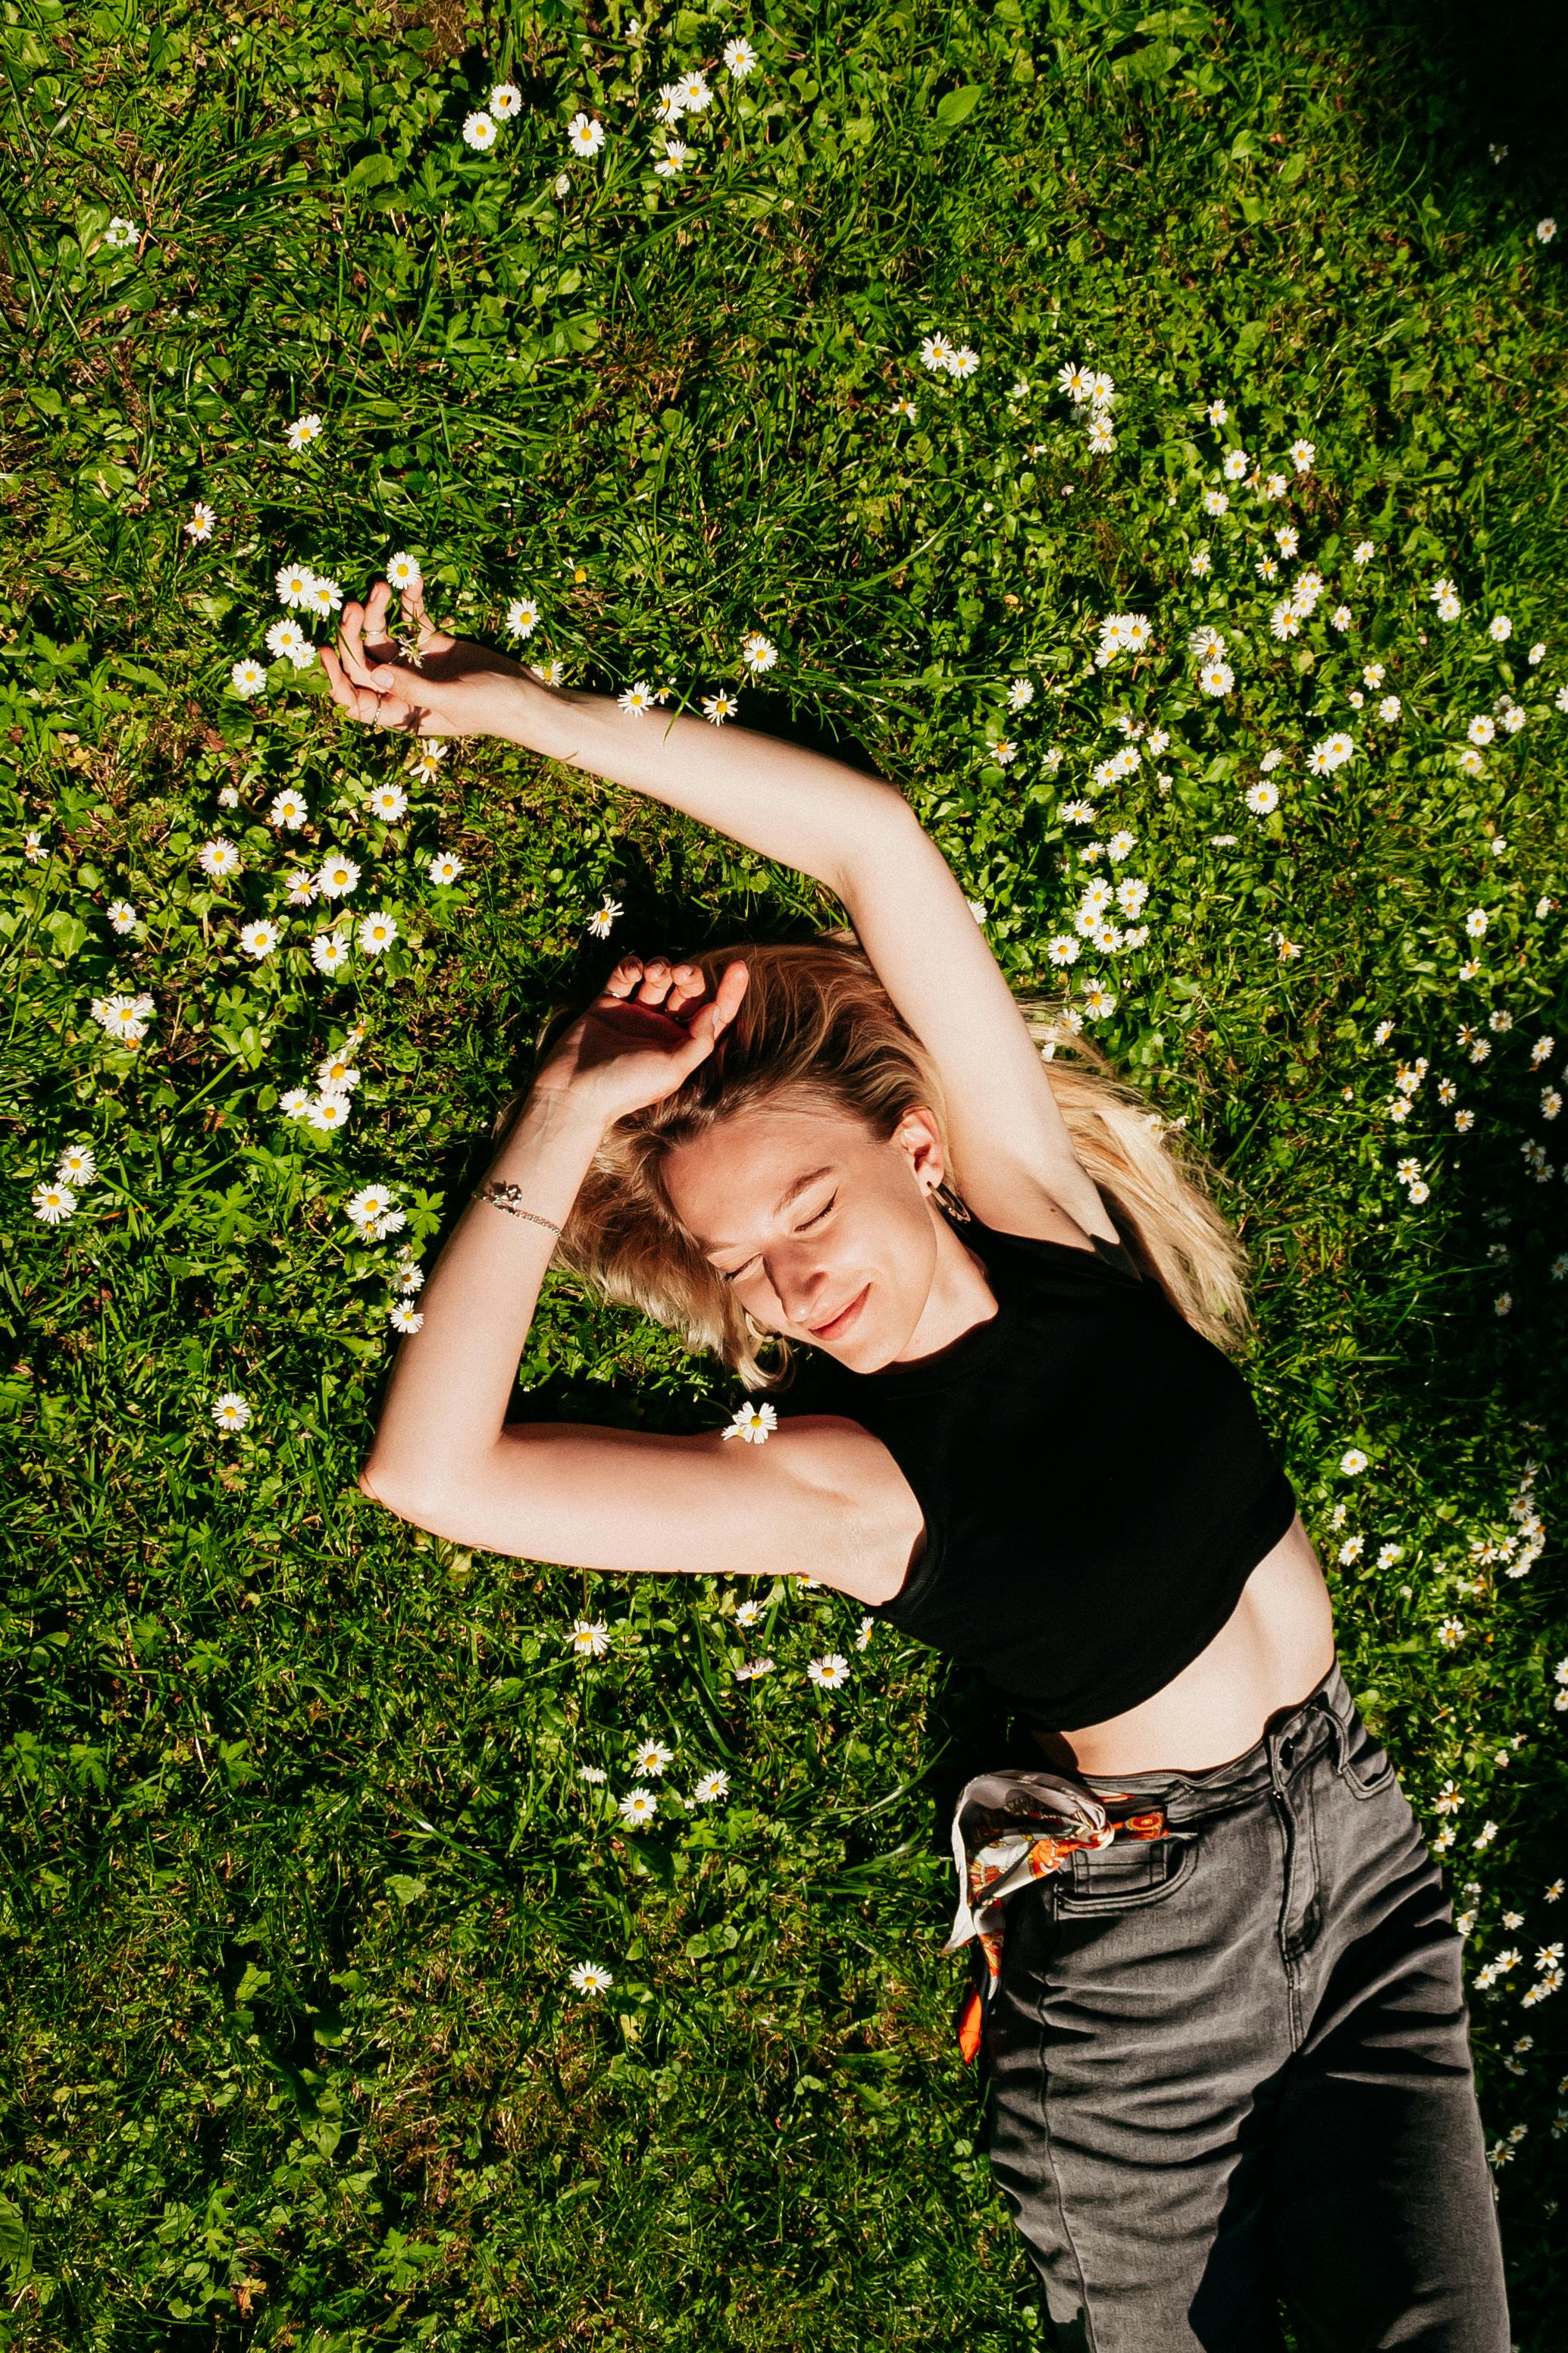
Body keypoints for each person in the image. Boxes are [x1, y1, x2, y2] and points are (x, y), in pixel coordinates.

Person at [326, 580, 1510, 2351]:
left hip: (1365, 1867)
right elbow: (441, 1475)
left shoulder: (1051, 1222)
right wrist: (567, 1112)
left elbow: (876, 846)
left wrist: (529, 712)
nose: (800, 1279)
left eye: (810, 1205)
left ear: (919, 1145)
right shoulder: (850, 1485)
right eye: (747, 1267)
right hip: (1152, 1981)